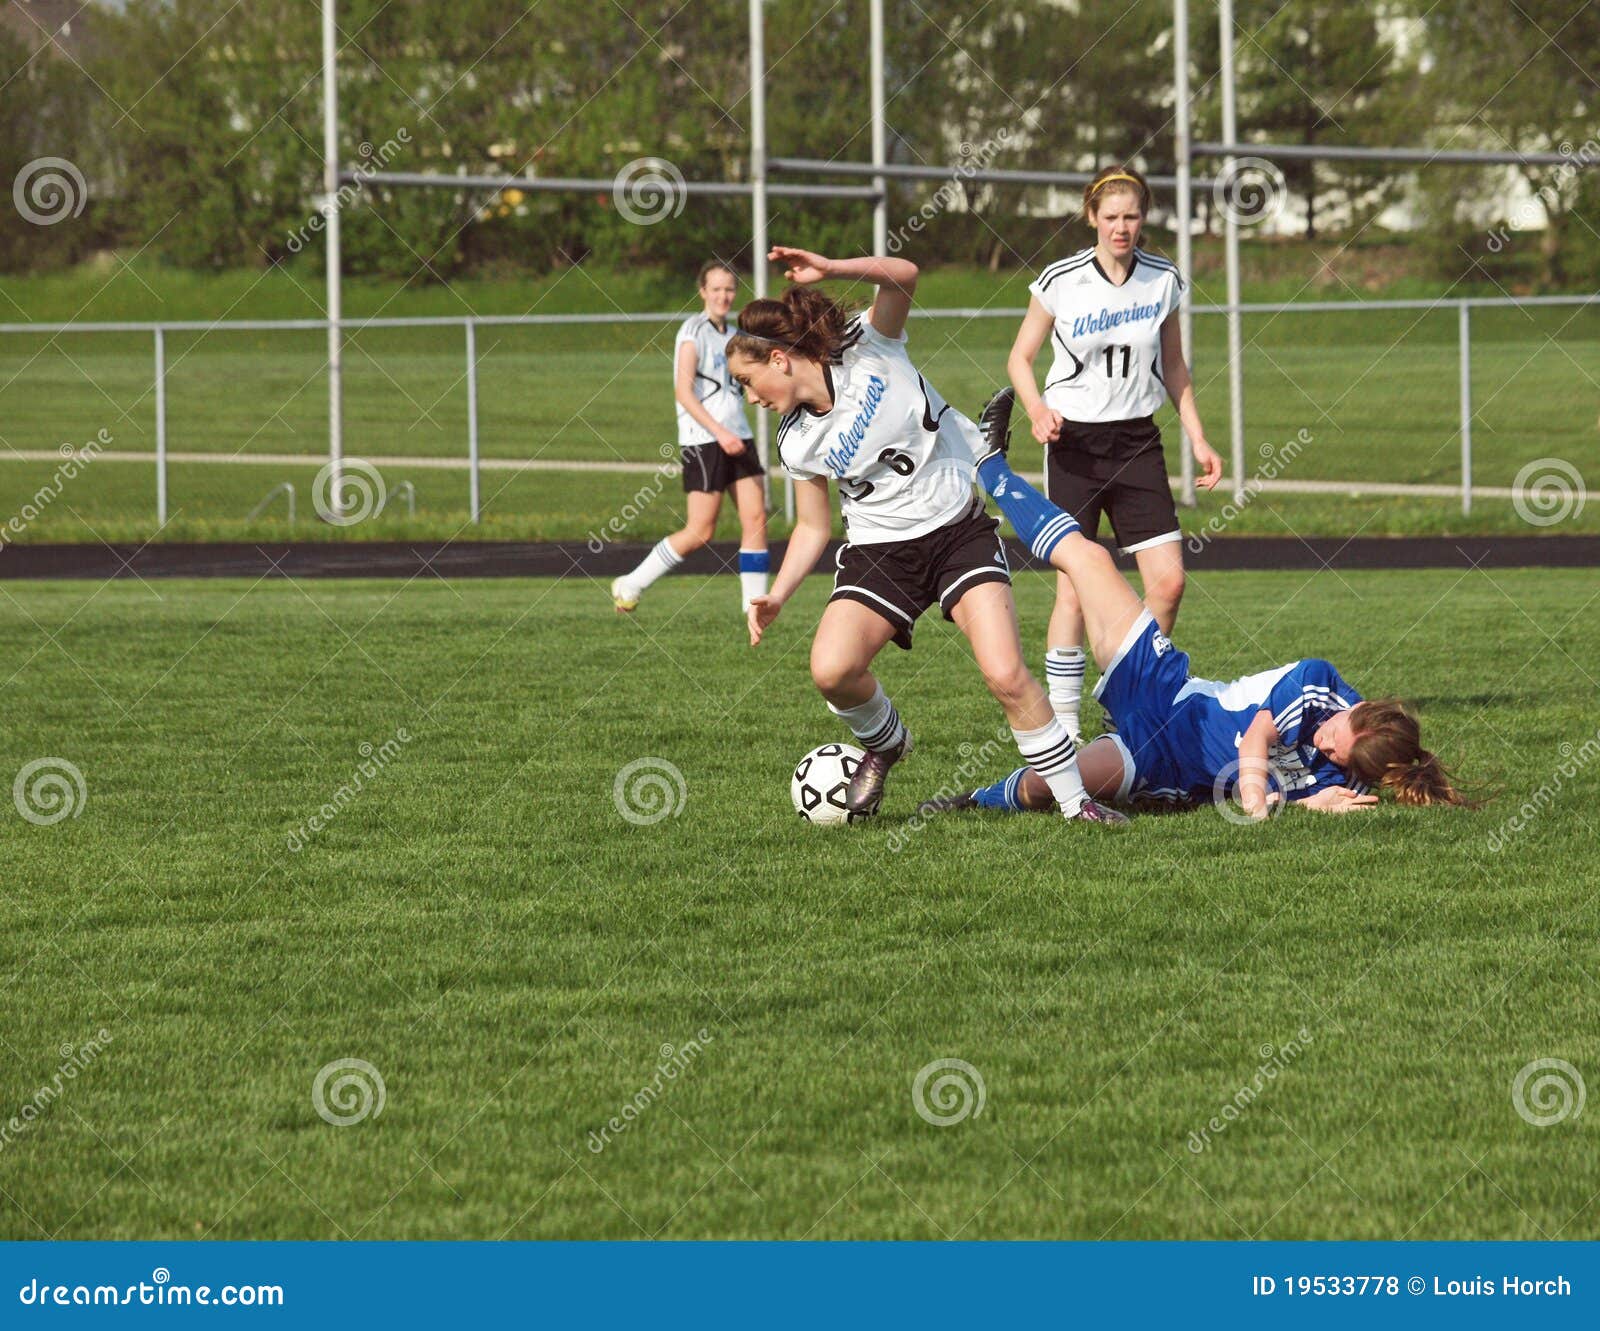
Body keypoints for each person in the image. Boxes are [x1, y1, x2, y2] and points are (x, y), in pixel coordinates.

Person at [922, 390, 1473, 817]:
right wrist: (1258, 803)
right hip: (1165, 690)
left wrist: (1313, 802)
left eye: (1338, 761)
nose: (1327, 751)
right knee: (1088, 558)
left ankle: (973, 800)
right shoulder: (1317, 684)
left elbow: (1313, 789)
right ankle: (987, 462)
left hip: (1163, 762)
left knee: (1052, 784)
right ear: (1361, 713)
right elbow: (1258, 737)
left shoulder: (1349, 774)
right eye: (1337, 742)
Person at [729, 244, 1125, 824]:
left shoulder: (870, 344)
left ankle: (1075, 804)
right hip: (879, 551)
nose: (749, 396)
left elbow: (907, 275)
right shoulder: (795, 442)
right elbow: (814, 526)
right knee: (831, 669)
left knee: (1005, 674)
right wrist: (778, 596)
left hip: (956, 530)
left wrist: (834, 267)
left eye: (747, 380)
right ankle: (888, 745)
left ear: (780, 360)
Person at [1007, 164, 1223, 743]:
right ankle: (1065, 727)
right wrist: (1036, 410)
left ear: (1144, 218)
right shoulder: (1061, 279)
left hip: (1137, 442)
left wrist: (1198, 435)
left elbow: (1174, 365)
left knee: (1168, 584)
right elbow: (1019, 359)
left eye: (1132, 216)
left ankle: (1128, 702)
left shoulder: (1163, 279)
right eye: (1111, 217)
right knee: (1076, 588)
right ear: (1092, 218)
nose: (1121, 227)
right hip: (1073, 443)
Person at [612, 260, 770, 616]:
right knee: (701, 531)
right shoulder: (692, 331)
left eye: (729, 289)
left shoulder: (735, 334)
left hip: (739, 436)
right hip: (705, 440)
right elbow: (684, 392)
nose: (723, 296)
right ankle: (631, 582)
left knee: (756, 519)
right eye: (716, 289)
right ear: (702, 292)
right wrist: (719, 433)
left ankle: (753, 609)